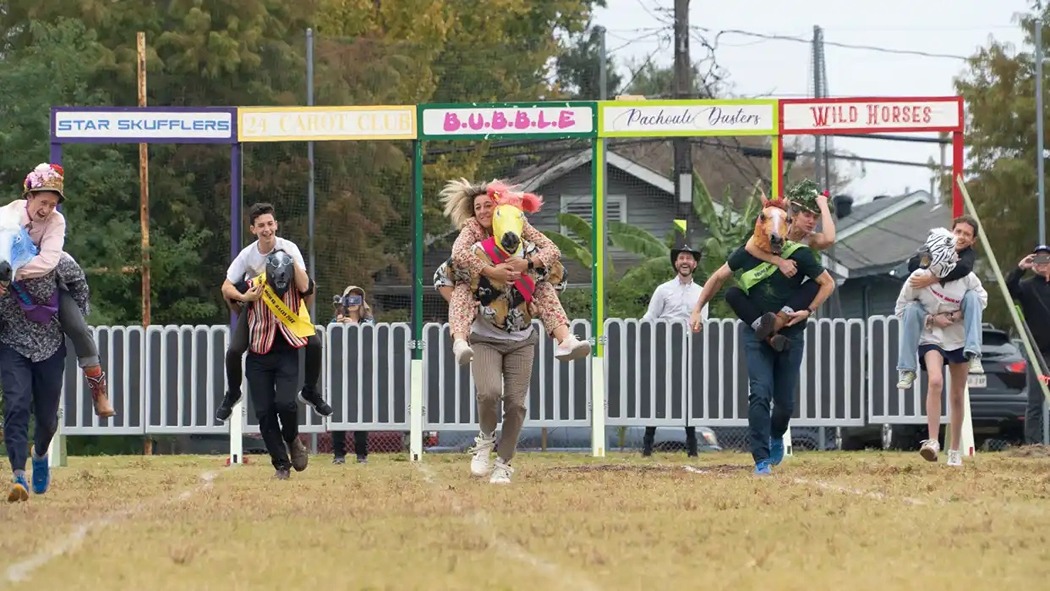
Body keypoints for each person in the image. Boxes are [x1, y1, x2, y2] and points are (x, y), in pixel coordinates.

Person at [689, 198, 835, 475]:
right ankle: (761, 459)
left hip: (792, 333)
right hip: (755, 334)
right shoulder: (748, 252)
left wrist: (809, 311)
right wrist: (696, 309)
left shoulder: (801, 255)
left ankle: (776, 434)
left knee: (784, 403)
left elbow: (827, 284)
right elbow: (718, 278)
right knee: (759, 393)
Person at [0, 163, 114, 418]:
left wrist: (13, 274)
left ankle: (99, 392)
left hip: (47, 279)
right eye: (43, 202)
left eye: (52, 204)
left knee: (77, 327)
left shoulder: (56, 221)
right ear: (28, 196)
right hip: (6, 281)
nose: (47, 209)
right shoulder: (5, 217)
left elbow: (49, 261)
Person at [439, 178, 589, 365]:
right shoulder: (472, 229)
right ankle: (460, 341)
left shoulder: (516, 221)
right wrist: (491, 272)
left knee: (545, 287)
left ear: (499, 206)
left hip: (517, 296)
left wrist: (527, 264)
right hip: (485, 293)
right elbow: (456, 256)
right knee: (461, 290)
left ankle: (566, 339)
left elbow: (553, 251)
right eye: (478, 208)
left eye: (488, 205)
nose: (483, 211)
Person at [216, 202, 331, 422]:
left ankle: (310, 391)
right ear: (253, 229)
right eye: (261, 226)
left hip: (288, 305)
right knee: (234, 350)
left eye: (270, 224)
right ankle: (232, 393)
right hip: (258, 307)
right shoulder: (247, 254)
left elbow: (306, 285)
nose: (267, 229)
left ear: (276, 224)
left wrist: (289, 260)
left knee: (315, 343)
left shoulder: (289, 247)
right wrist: (244, 298)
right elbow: (226, 287)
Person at [894, 228, 988, 466]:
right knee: (935, 381)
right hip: (932, 336)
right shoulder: (918, 276)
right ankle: (933, 441)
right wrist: (932, 319)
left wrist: (957, 315)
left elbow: (981, 299)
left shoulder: (966, 276)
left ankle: (955, 449)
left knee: (957, 395)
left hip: (958, 339)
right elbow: (901, 309)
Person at [0, 251, 88, 502]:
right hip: (11, 344)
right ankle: (18, 476)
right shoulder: (2, 258)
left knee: (48, 419)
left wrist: (77, 316)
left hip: (49, 345)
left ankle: (39, 454)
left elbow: (79, 281)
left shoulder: (56, 258)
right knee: (16, 406)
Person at [727, 180, 837, 350]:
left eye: (815, 217)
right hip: (764, 291)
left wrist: (823, 205)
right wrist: (779, 261)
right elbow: (750, 246)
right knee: (733, 293)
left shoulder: (810, 240)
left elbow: (829, 238)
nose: (811, 222)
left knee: (814, 284)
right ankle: (772, 337)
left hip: (789, 302)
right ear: (793, 215)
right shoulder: (776, 229)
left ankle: (774, 327)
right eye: (807, 215)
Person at [233, 250, 313, 479]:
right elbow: (227, 291)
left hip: (287, 351)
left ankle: (292, 439)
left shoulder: (297, 285)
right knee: (264, 412)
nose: (280, 281)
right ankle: (281, 465)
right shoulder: (251, 284)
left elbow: (310, 290)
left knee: (286, 404)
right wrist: (245, 303)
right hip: (258, 354)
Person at [897, 215, 985, 389]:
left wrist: (933, 278)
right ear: (951, 232)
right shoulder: (934, 247)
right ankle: (907, 368)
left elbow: (964, 268)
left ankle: (974, 352)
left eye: (967, 234)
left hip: (955, 324)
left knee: (973, 297)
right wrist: (928, 267)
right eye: (958, 231)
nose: (961, 236)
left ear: (973, 240)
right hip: (931, 323)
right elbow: (915, 264)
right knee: (911, 309)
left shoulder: (966, 259)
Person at [639, 241, 706, 457]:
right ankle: (647, 446)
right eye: (681, 258)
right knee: (657, 394)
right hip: (664, 348)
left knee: (688, 396)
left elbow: (704, 320)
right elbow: (650, 316)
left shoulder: (702, 292)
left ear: (695, 264)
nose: (685, 262)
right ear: (676, 263)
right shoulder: (663, 290)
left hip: (690, 348)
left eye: (689, 258)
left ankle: (692, 448)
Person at [1006, 244, 1050, 444]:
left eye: (1046, 259)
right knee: (1035, 403)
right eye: (1038, 259)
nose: (1042, 264)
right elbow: (1009, 289)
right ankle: (1034, 446)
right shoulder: (1028, 286)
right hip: (1038, 354)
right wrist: (1020, 268)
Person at [330, 284, 372, 465]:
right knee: (337, 413)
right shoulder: (335, 322)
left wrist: (354, 326)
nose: (353, 302)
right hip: (340, 373)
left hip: (361, 373)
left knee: (360, 413)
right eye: (350, 298)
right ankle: (339, 454)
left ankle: (361, 454)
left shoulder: (368, 322)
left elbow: (372, 341)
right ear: (344, 301)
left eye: (357, 298)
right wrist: (338, 326)